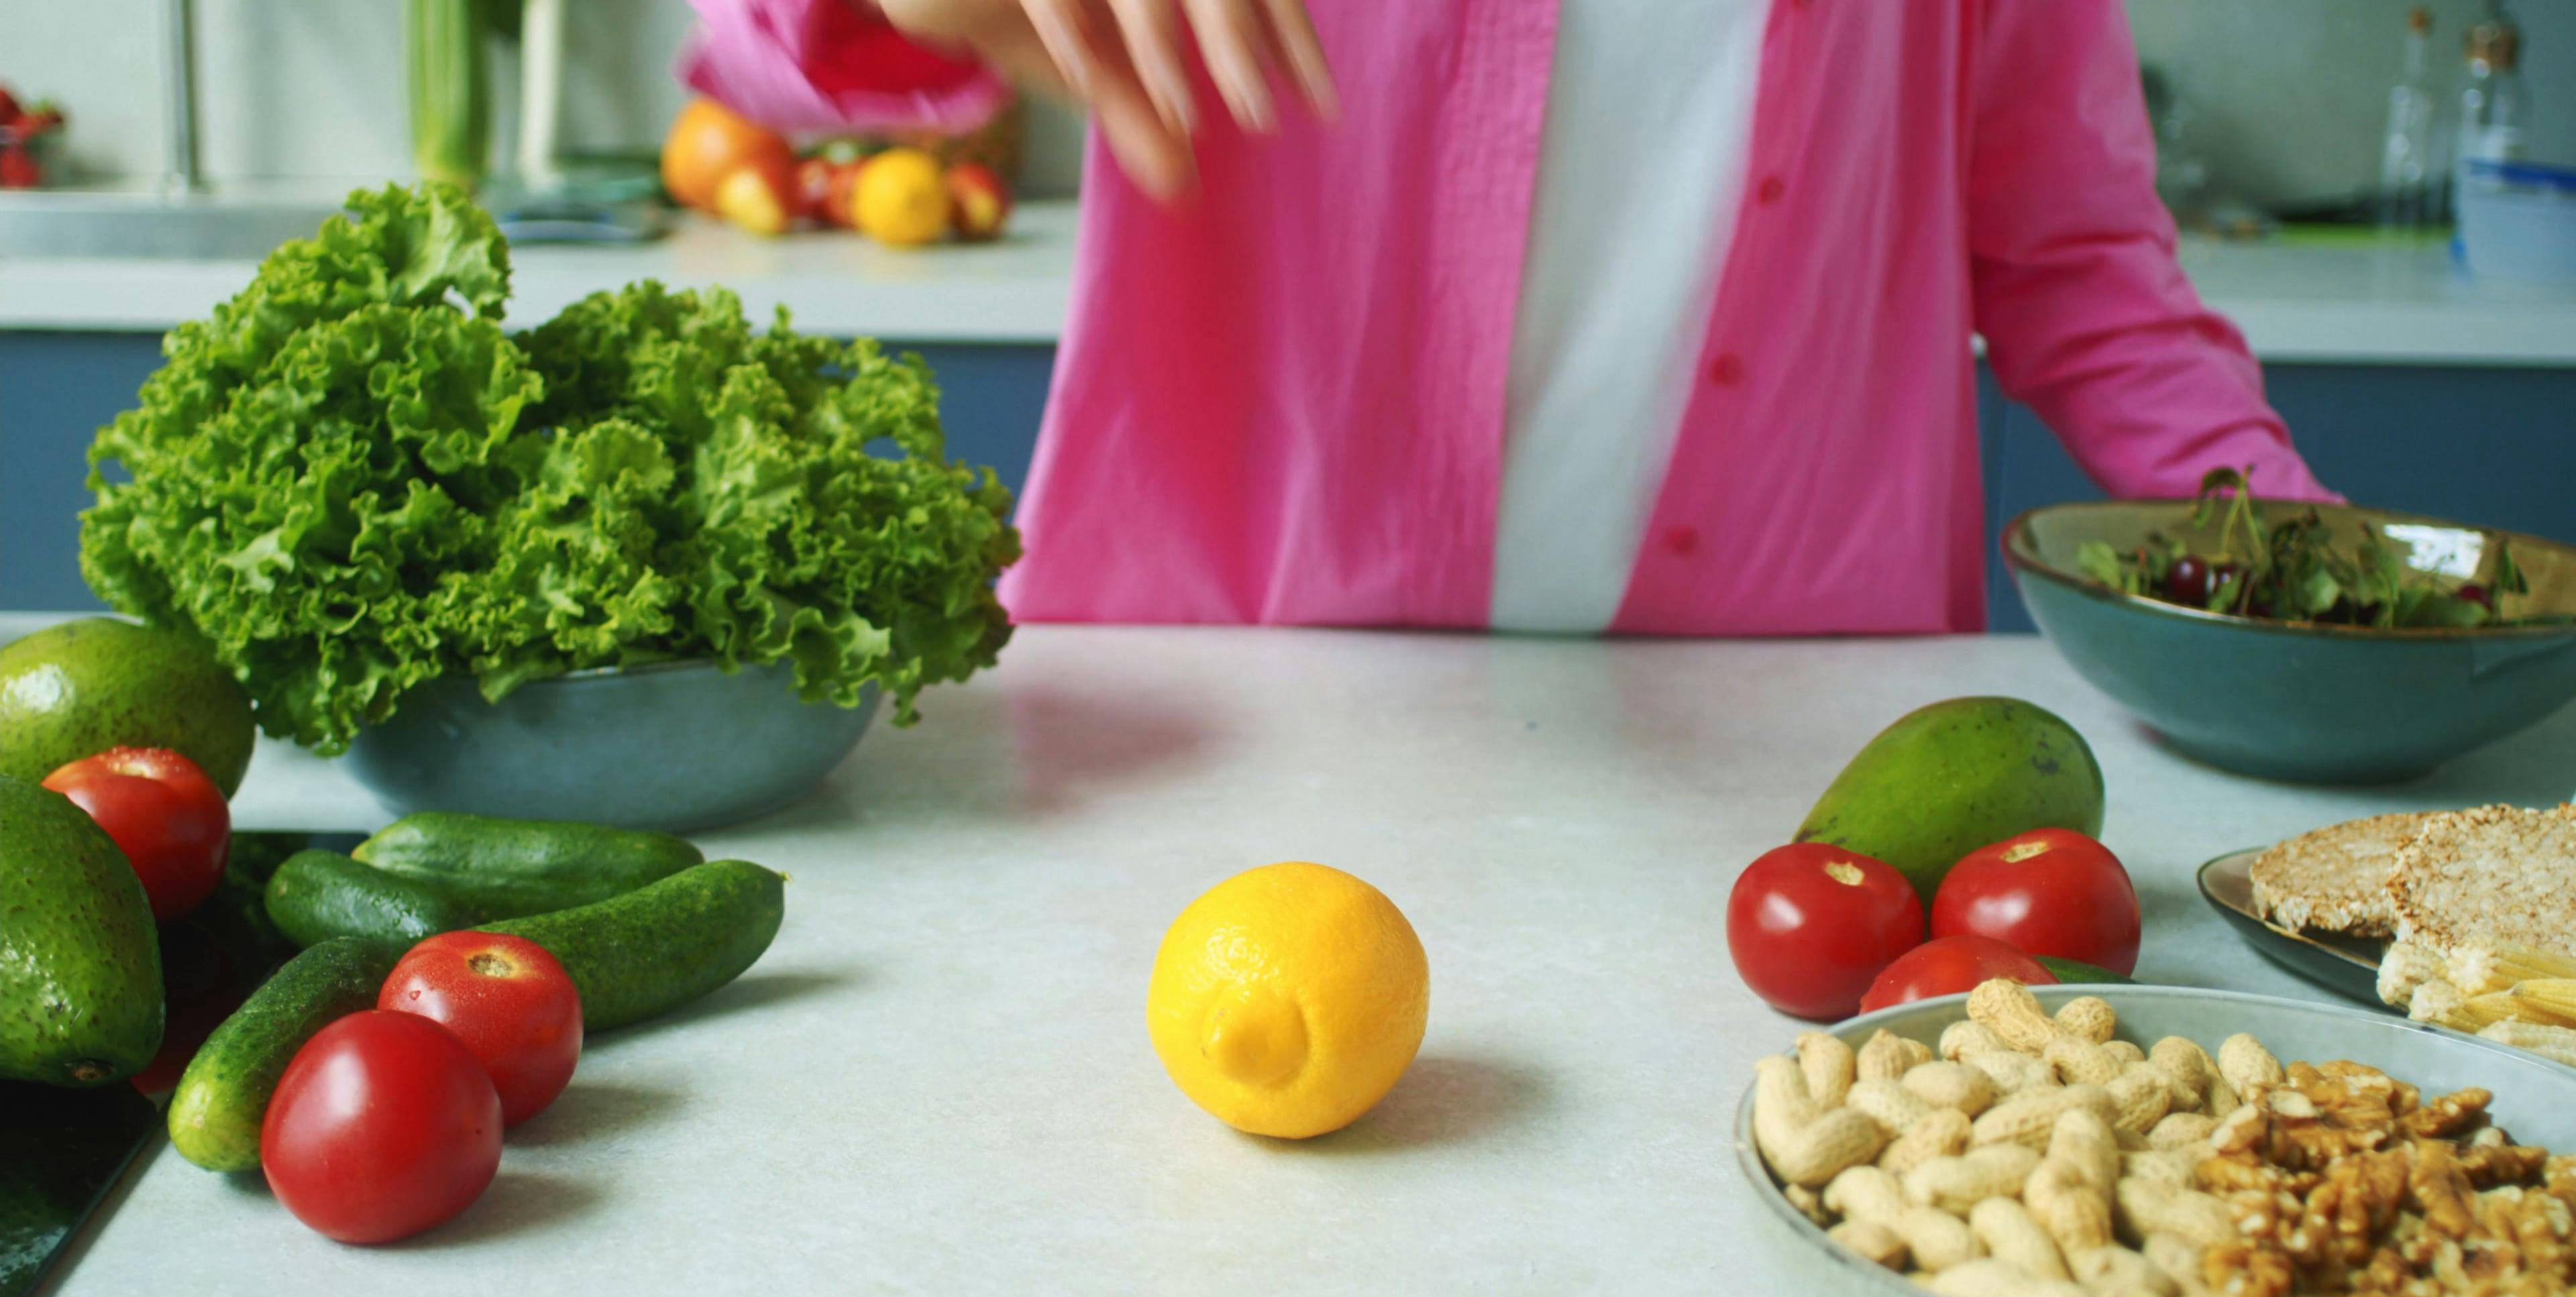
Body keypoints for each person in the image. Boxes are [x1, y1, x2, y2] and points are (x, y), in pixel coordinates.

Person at [680, 0, 2334, 634]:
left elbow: (2083, 262)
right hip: (1229, 701)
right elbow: (754, 41)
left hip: (1796, 740)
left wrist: (2303, 571)